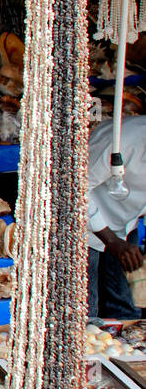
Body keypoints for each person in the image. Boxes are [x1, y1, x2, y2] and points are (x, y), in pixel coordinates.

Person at [86, 114, 146, 324]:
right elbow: (75, 187)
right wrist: (111, 240)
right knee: (85, 309)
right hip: (82, 224)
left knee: (127, 312)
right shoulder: (122, 140)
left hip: (125, 222)